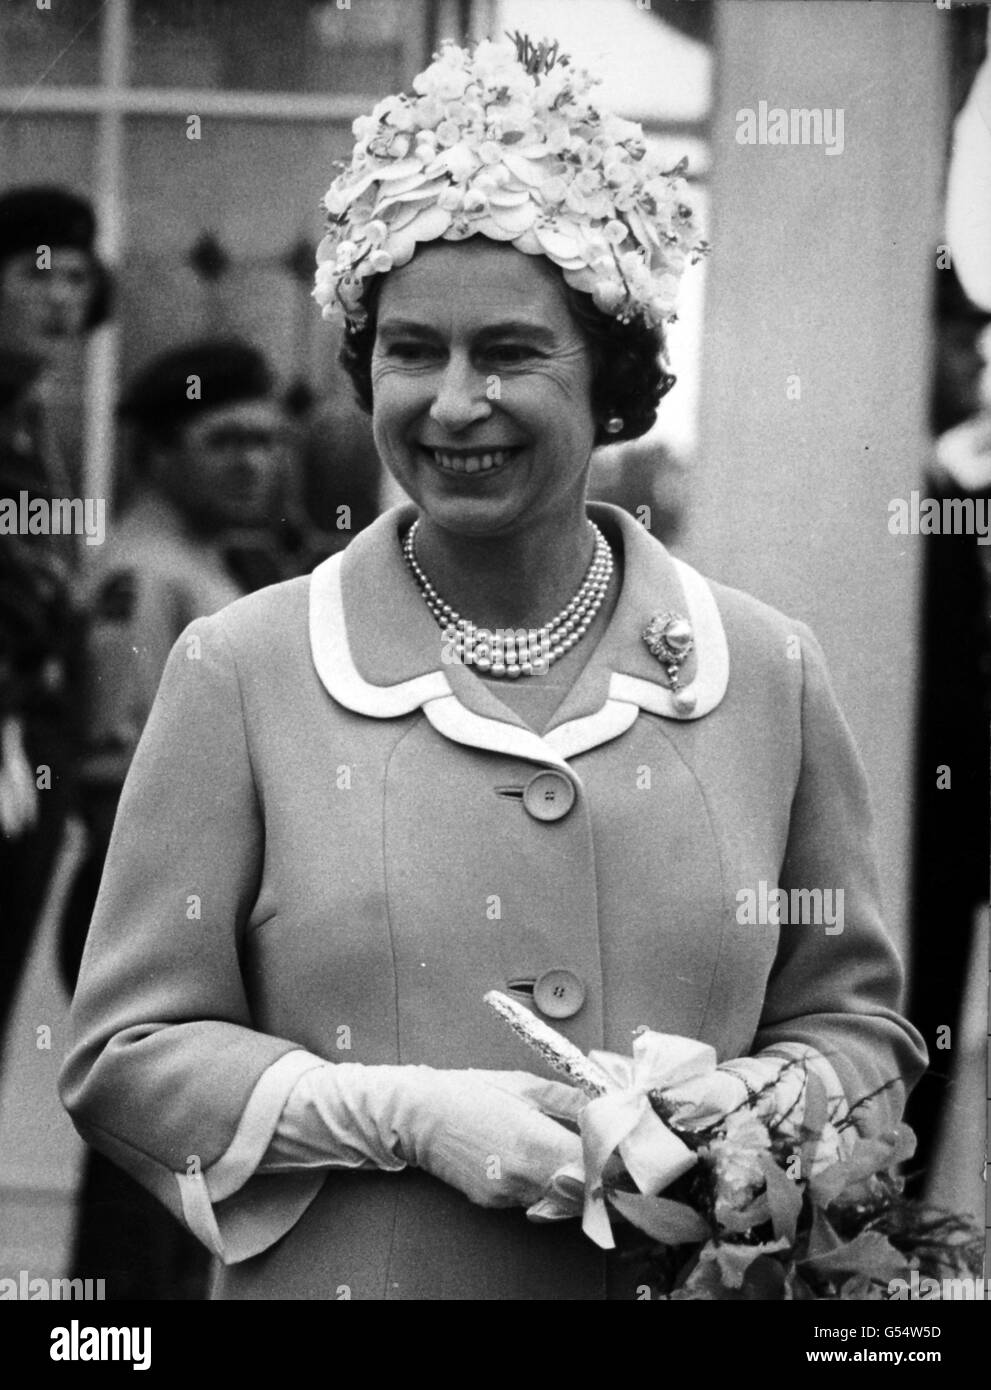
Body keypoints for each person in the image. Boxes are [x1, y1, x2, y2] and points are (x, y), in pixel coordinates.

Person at [61, 36, 927, 1301]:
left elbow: (859, 1032)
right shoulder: (242, 670)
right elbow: (124, 1057)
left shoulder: (767, 674)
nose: (454, 403)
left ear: (615, 382)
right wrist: (397, 1109)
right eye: (412, 352)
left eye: (511, 354)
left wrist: (750, 1101)